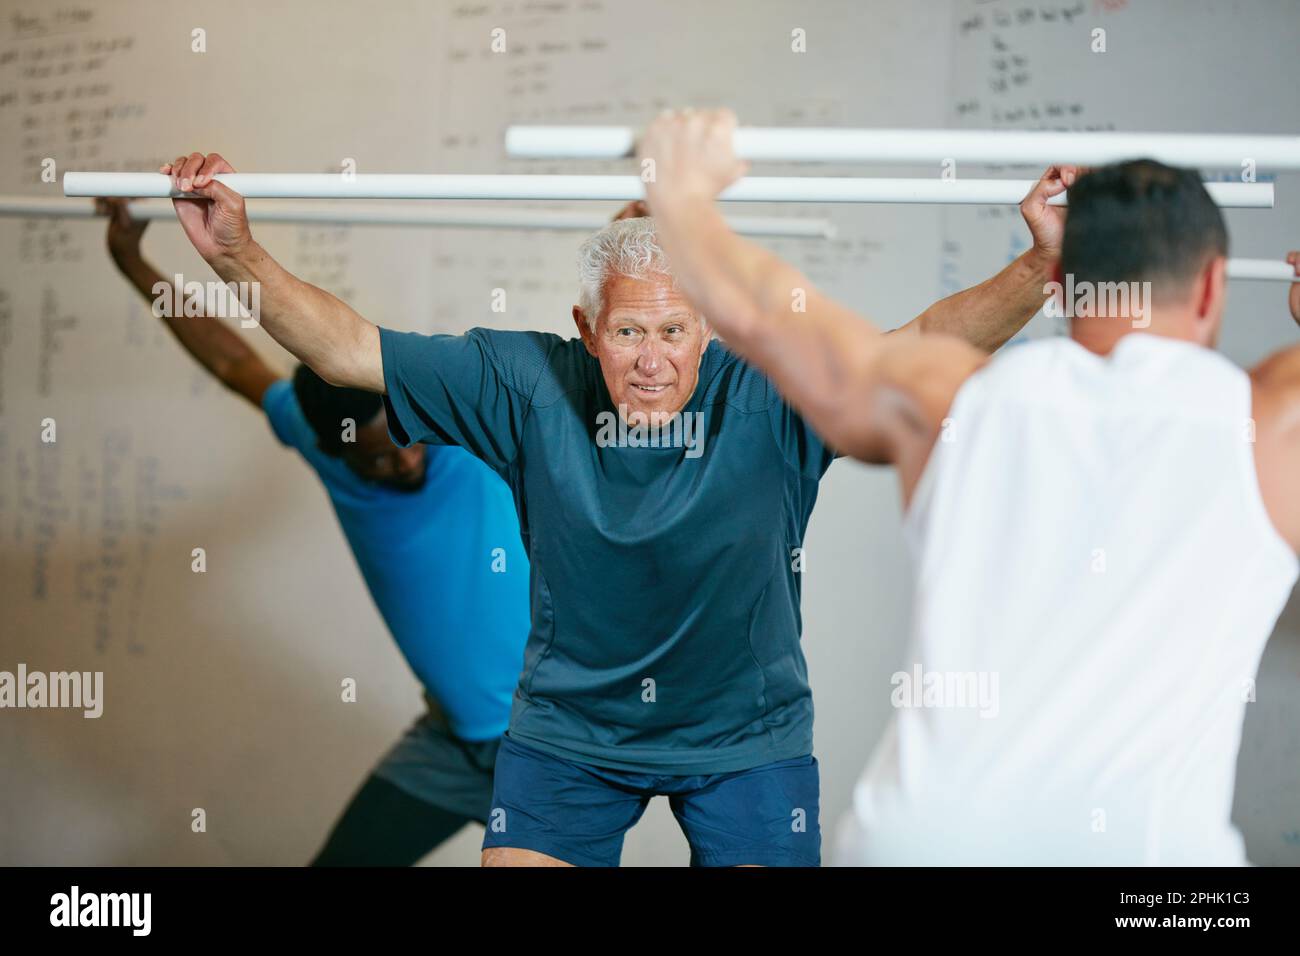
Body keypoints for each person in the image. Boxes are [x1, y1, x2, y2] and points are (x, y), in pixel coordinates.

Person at [155, 147, 1067, 867]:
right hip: (568, 733)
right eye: (628, 331)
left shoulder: (773, 391)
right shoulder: (523, 382)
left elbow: (921, 350)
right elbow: (348, 349)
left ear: (709, 326)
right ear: (587, 330)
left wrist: (1043, 263)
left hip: (744, 734)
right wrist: (236, 249)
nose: (652, 360)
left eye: (675, 331)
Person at [639, 108, 1300, 865]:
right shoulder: (1271, 422)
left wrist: (684, 200)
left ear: (1060, 281)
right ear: (1213, 285)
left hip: (919, 845)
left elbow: (783, 323)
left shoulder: (952, 399)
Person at [98, 197, 532, 866]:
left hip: (545, 744)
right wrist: (132, 260)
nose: (405, 460)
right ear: (336, 451)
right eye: (377, 458)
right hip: (449, 744)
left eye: (406, 440)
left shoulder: (464, 422)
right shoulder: (317, 438)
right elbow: (230, 361)